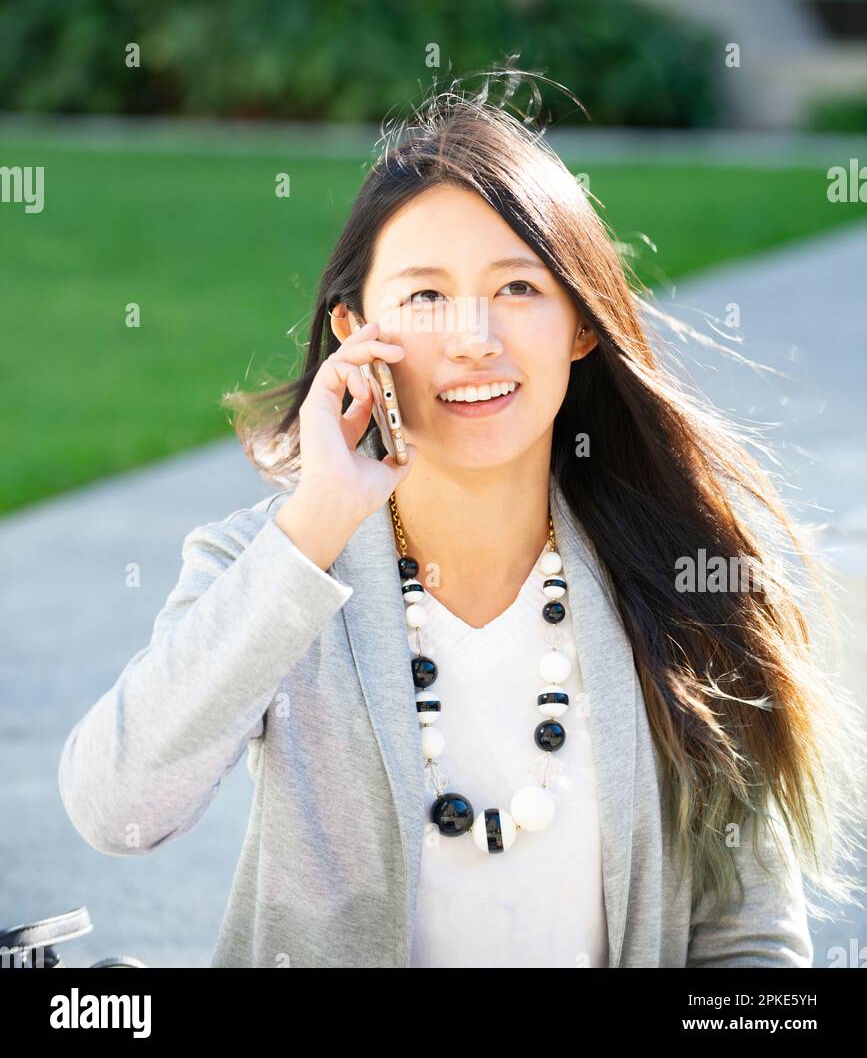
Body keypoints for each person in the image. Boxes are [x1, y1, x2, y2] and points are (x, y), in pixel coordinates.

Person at [58, 70, 864, 968]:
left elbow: (753, 949)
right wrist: (317, 520)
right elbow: (115, 810)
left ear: (581, 326)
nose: (474, 335)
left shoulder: (681, 571)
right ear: (355, 329)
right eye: (425, 295)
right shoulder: (267, 568)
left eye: (518, 288)